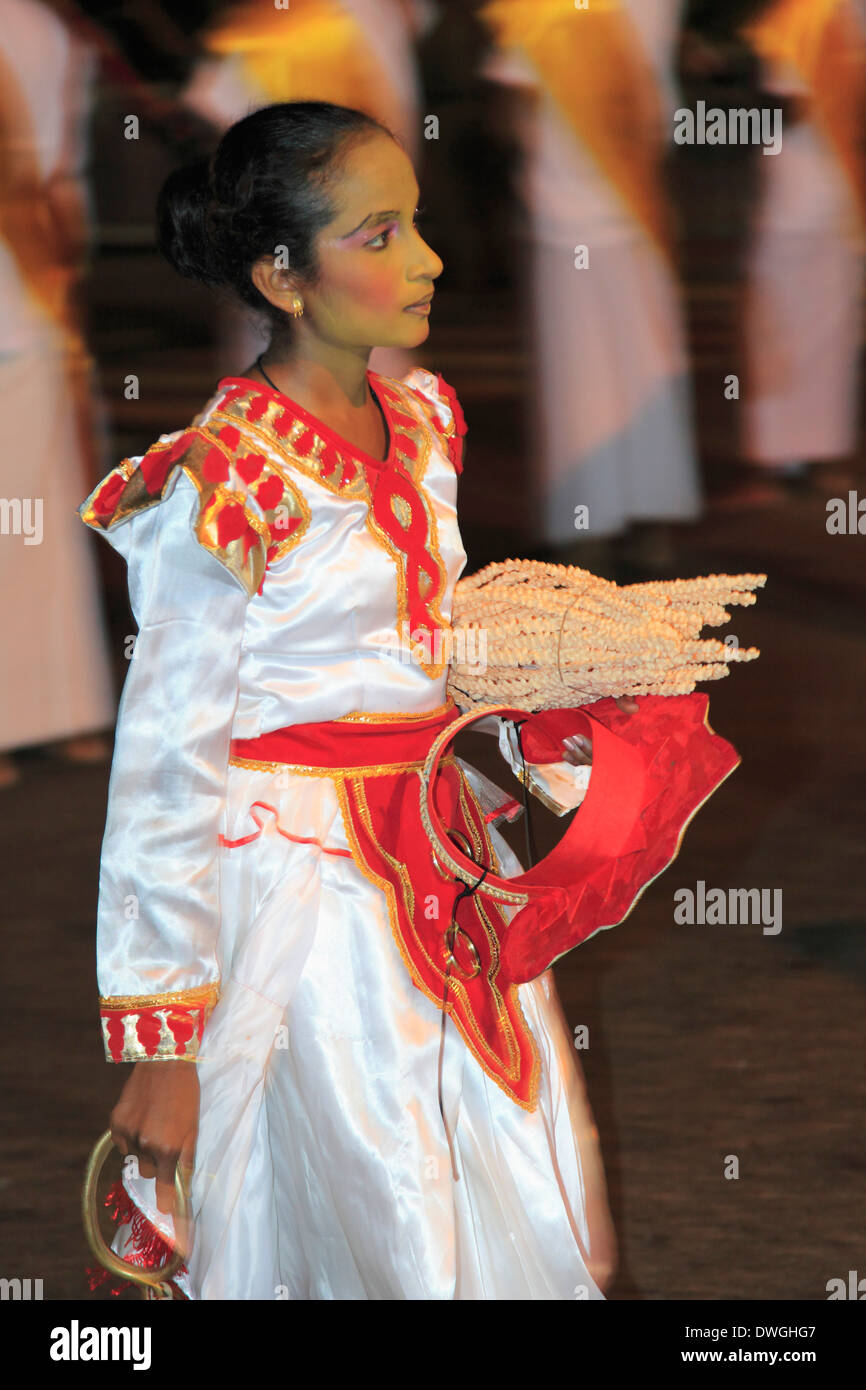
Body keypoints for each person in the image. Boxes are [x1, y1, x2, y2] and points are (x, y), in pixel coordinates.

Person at [80, 101, 635, 1300]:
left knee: (499, 1155)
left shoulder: (421, 422)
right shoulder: (223, 485)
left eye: (416, 223)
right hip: (306, 902)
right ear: (282, 276)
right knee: (371, 1183)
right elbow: (165, 774)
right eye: (377, 235)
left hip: (440, 871)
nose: (427, 258)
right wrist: (162, 1048)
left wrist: (532, 725)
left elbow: (417, 657)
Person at [479, 0, 701, 577]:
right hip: (638, 208)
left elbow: (510, 107)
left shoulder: (542, 12)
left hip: (561, 213)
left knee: (580, 382)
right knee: (644, 372)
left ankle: (587, 530)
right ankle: (652, 526)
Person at [0, 0, 115, 787]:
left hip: (18, 272)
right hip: (40, 272)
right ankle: (66, 712)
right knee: (37, 517)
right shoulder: (55, 28)